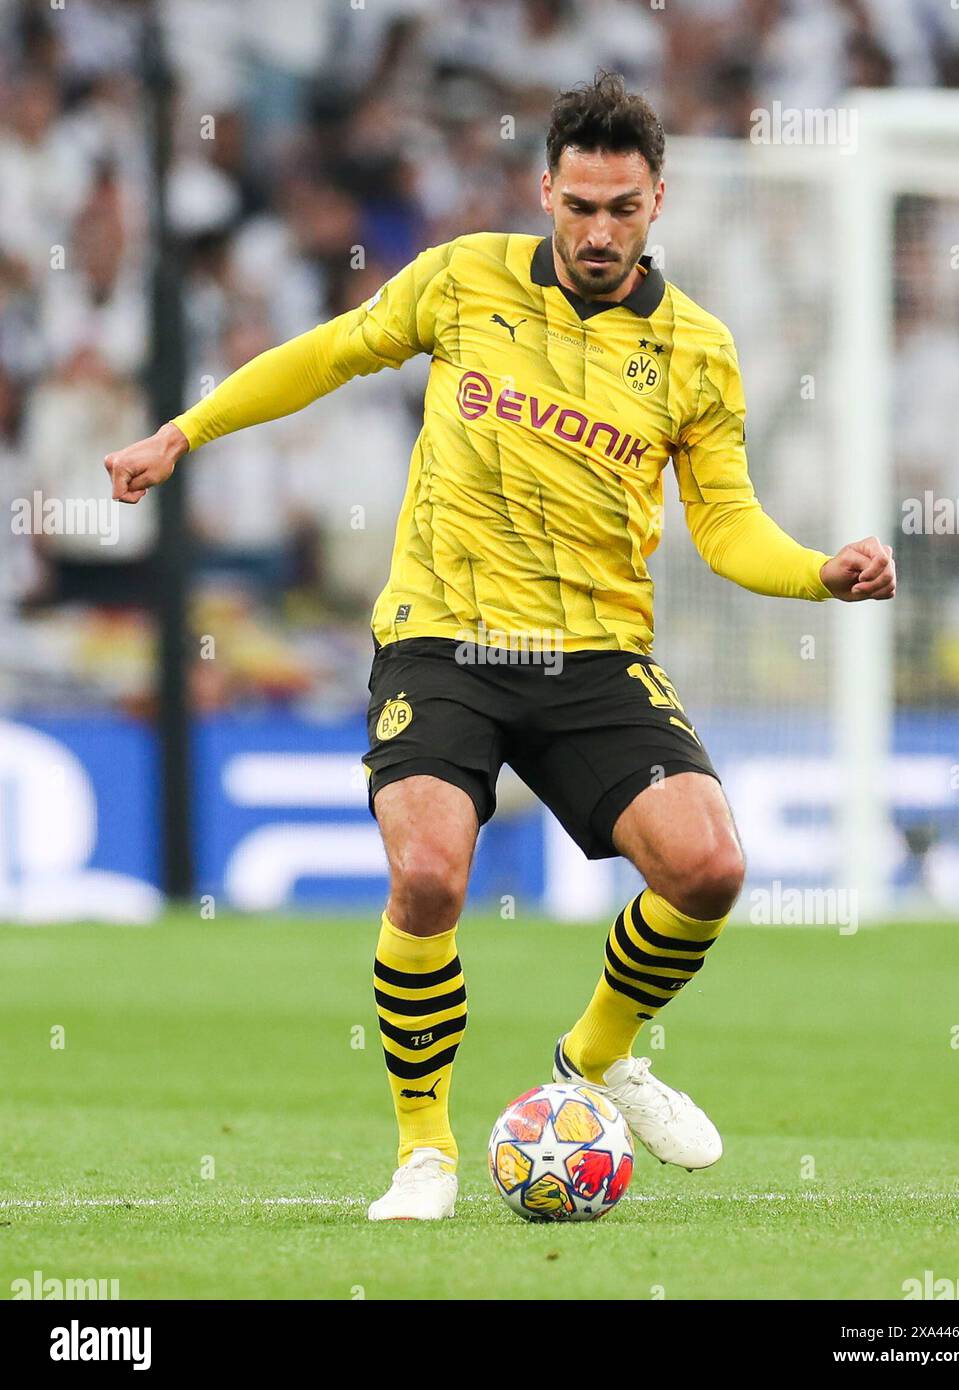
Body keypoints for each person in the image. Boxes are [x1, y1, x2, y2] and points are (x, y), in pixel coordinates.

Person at [105, 72, 896, 1221]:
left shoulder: (696, 350)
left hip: (592, 652)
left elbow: (724, 525)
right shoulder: (464, 276)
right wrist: (184, 429)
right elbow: (329, 352)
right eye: (578, 205)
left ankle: (597, 1056)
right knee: (426, 872)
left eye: (621, 208)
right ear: (545, 192)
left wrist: (817, 572)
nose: (596, 230)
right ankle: (423, 1153)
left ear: (658, 202)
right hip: (445, 637)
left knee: (710, 866)